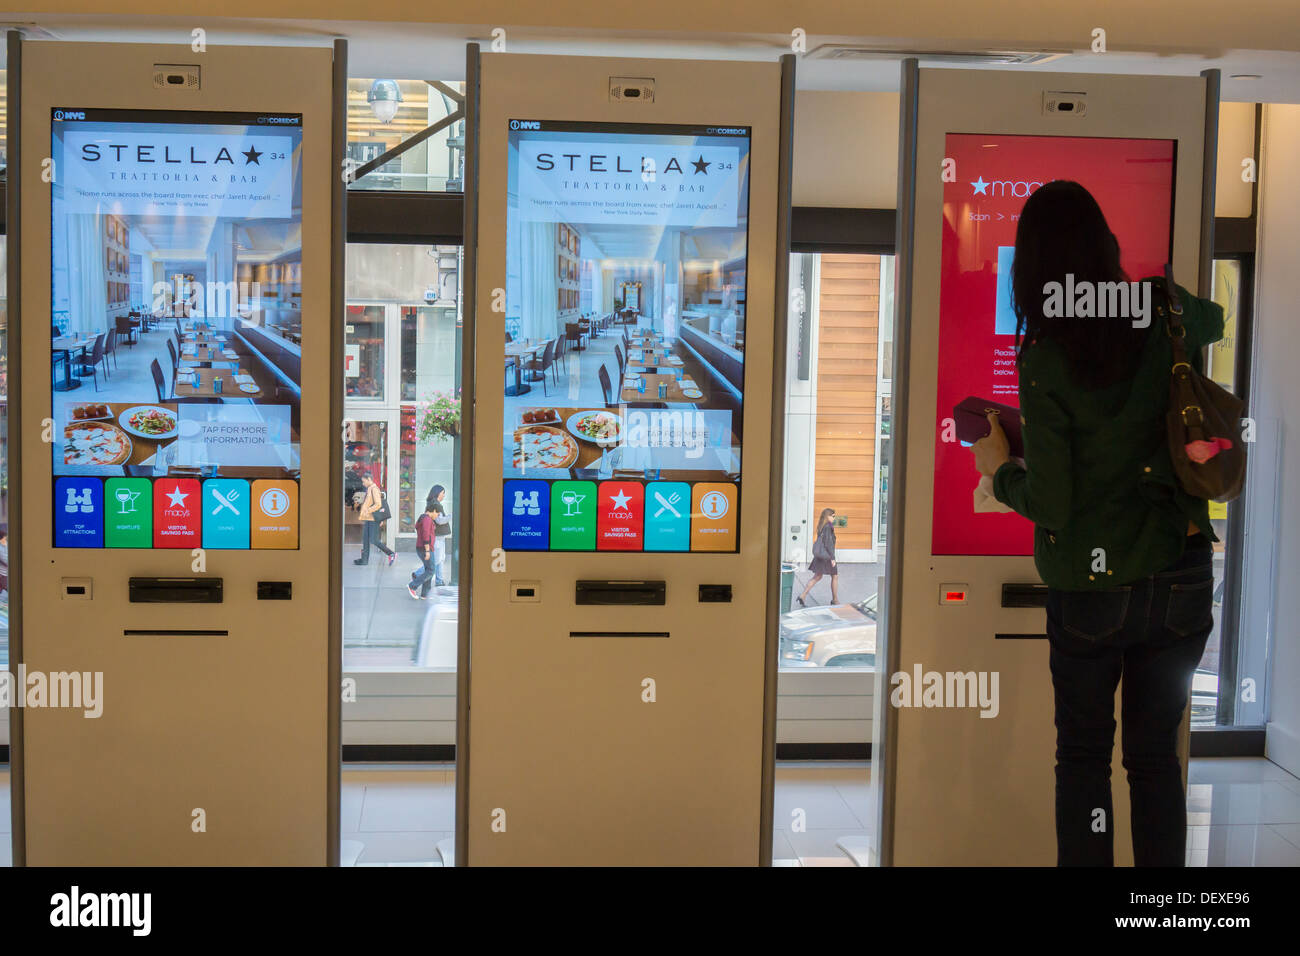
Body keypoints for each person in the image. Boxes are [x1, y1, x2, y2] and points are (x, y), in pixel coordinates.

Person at [971, 180, 1225, 867]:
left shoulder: (1046, 356)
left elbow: (1052, 502)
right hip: (1180, 574)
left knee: (1083, 757)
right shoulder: (1162, 310)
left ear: (1033, 271)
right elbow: (1218, 322)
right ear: (1106, 246)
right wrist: (1156, 297)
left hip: (1091, 587)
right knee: (1154, 761)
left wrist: (999, 468)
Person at [797, 507, 838, 606]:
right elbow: (828, 544)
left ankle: (802, 595)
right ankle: (835, 600)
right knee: (835, 576)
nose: (834, 518)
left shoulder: (822, 526)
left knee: (817, 576)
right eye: (833, 516)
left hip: (820, 556)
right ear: (828, 516)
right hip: (827, 557)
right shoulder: (828, 526)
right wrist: (832, 558)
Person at [354, 473, 395, 566]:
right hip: (368, 518)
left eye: (364, 481)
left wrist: (367, 510)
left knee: (374, 540)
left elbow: (378, 504)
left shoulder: (374, 489)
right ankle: (364, 560)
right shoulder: (369, 489)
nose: (363, 484)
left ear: (369, 479)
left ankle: (391, 553)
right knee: (365, 539)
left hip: (373, 519)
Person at [407, 500, 440, 600]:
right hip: (425, 548)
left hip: (422, 547)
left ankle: (425, 594)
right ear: (433, 510)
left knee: (428, 569)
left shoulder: (423, 517)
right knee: (431, 570)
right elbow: (426, 534)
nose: (438, 515)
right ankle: (412, 586)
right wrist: (427, 550)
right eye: (437, 513)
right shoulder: (427, 519)